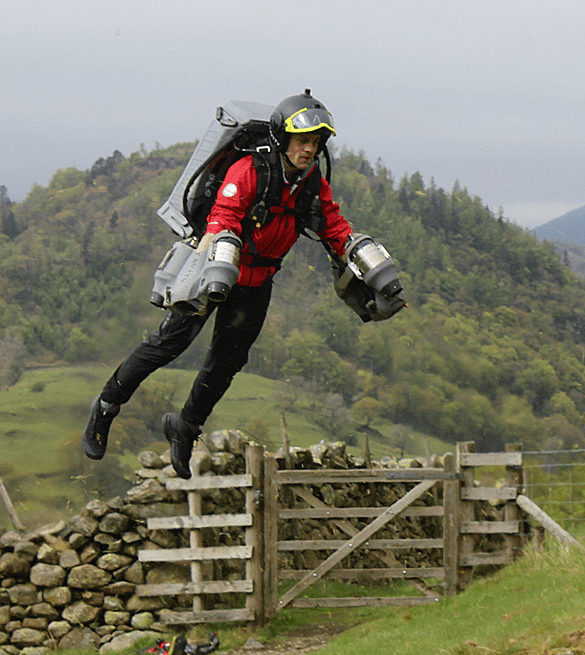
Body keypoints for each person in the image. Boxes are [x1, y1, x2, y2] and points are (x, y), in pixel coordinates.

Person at [81, 91, 382, 478]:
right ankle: (105, 406)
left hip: (257, 282)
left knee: (227, 363)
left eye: (315, 142)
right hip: (212, 268)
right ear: (282, 138)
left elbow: (335, 228)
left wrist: (372, 271)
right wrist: (221, 265)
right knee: (168, 345)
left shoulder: (312, 184)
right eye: (302, 140)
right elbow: (223, 216)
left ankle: (184, 428)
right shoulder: (249, 169)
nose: (309, 149)